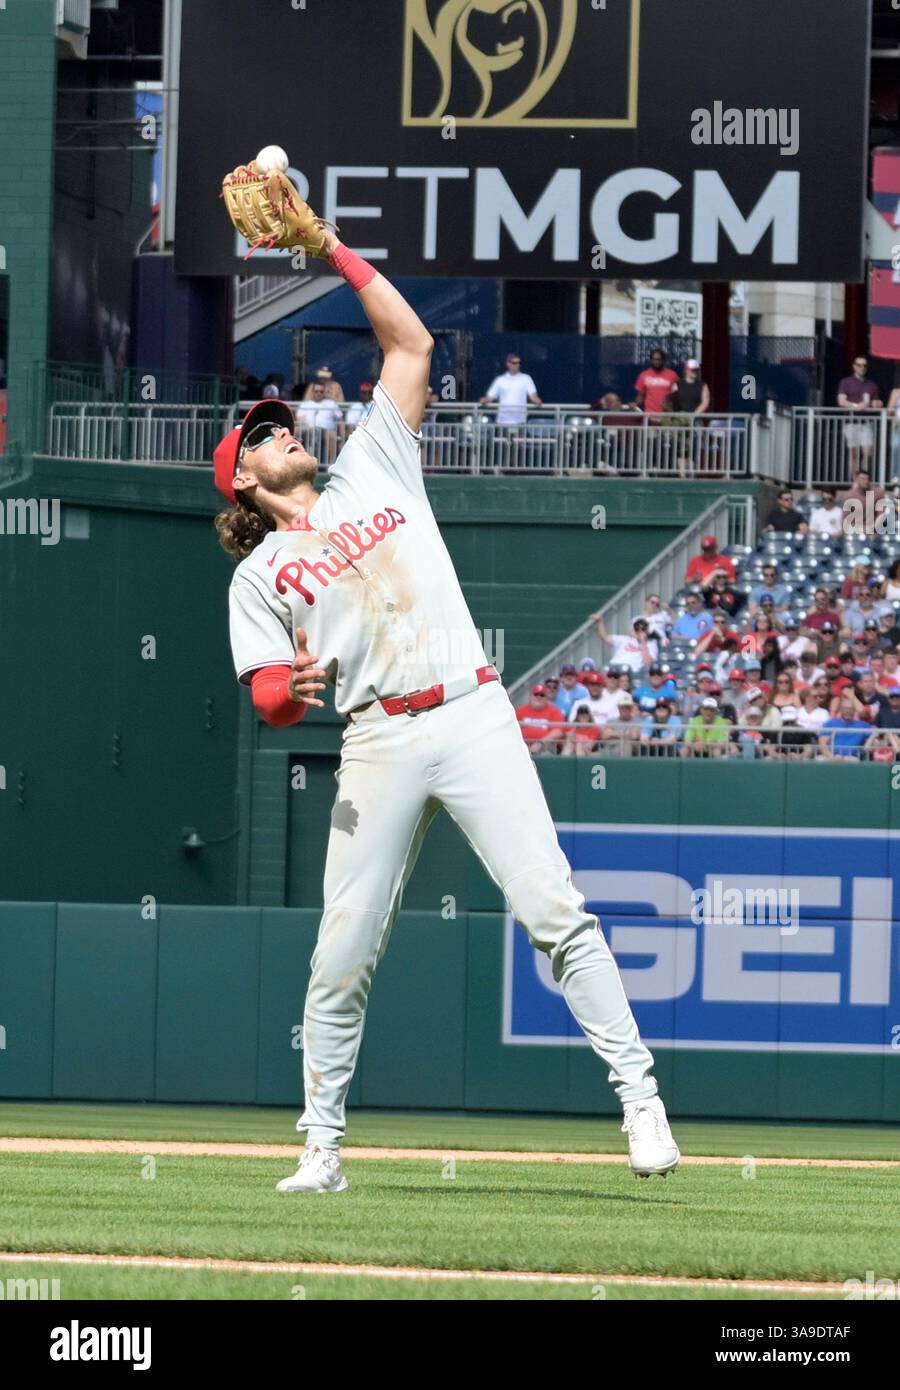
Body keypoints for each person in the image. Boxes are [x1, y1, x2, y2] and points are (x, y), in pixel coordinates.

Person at [214, 229, 680, 1187]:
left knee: (555, 911)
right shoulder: (257, 574)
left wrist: (329, 246)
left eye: (279, 422)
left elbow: (413, 344)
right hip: (377, 736)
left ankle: (641, 1102)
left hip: (470, 708)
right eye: (260, 436)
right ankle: (321, 1148)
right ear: (245, 482)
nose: (281, 430)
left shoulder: (373, 463)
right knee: (343, 949)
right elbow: (267, 696)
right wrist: (284, 691)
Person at [837, 358, 883, 471]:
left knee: (868, 452)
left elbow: (876, 402)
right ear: (854, 366)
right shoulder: (846, 382)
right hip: (851, 422)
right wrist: (856, 406)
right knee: (854, 453)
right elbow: (841, 401)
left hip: (866, 423)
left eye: (864, 365)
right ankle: (854, 480)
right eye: (859, 365)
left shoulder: (872, 385)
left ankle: (864, 478)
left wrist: (876, 404)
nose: (862, 368)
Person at [480, 353, 541, 426]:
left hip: (520, 421)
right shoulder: (500, 380)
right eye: (515, 363)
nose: (517, 365)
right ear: (508, 364)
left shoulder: (526, 378)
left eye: (519, 363)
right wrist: (485, 400)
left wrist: (537, 400)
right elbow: (490, 397)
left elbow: (533, 396)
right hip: (503, 421)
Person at [592, 613, 658, 672]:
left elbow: (647, 662)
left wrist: (643, 642)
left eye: (643, 629)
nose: (640, 631)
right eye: (637, 628)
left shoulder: (651, 644)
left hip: (630, 672)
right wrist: (600, 622)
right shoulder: (623, 639)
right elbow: (605, 637)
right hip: (614, 666)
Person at [820, 693, 873, 760]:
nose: (848, 711)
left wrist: (874, 736)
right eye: (845, 708)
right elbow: (822, 743)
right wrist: (832, 758)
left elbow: (871, 746)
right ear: (841, 709)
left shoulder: (863, 726)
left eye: (850, 709)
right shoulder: (830, 724)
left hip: (852, 758)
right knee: (819, 759)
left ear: (854, 710)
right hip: (831, 757)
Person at [516, 684, 566, 754]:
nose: (538, 697)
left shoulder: (555, 711)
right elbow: (513, 729)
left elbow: (558, 731)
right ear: (530, 697)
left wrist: (540, 743)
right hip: (522, 744)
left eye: (542, 695)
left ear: (546, 698)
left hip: (546, 746)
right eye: (536, 694)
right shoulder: (520, 711)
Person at [633, 349, 678, 415]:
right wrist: (635, 404)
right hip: (649, 415)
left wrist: (669, 405)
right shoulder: (643, 375)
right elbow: (641, 395)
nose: (656, 362)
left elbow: (677, 395)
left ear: (663, 360)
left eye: (659, 359)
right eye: (654, 359)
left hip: (667, 415)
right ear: (651, 360)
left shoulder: (672, 375)